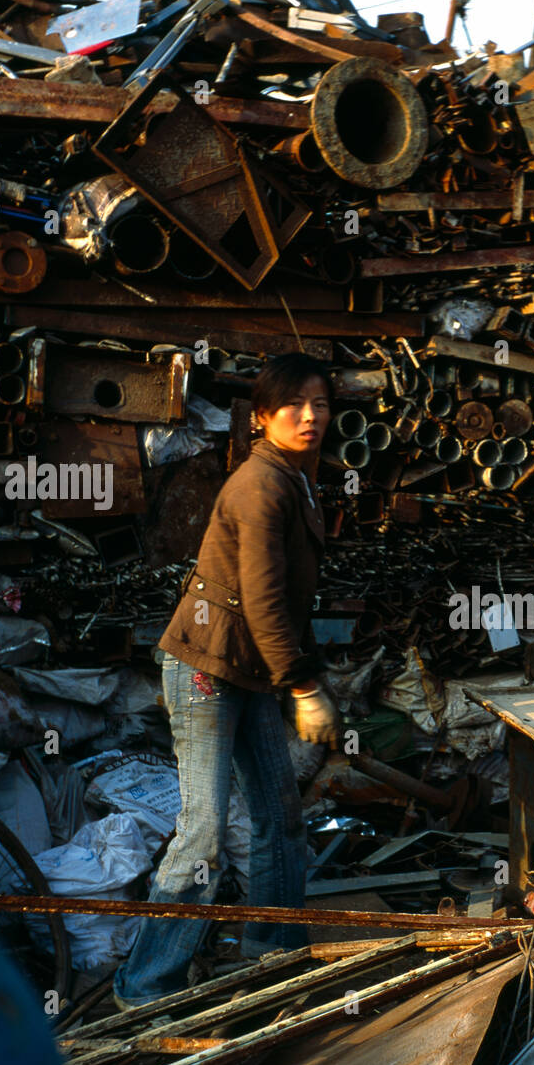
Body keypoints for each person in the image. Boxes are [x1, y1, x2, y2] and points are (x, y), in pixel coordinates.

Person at [113, 353, 342, 1008]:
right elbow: (265, 601)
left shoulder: (297, 478)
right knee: (204, 831)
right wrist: (303, 686)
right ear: (263, 418)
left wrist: (299, 676)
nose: (309, 417)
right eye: (294, 406)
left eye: (320, 405)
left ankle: (272, 952)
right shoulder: (260, 485)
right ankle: (143, 986)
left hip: (247, 670)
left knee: (279, 814)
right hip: (207, 671)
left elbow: (288, 604)